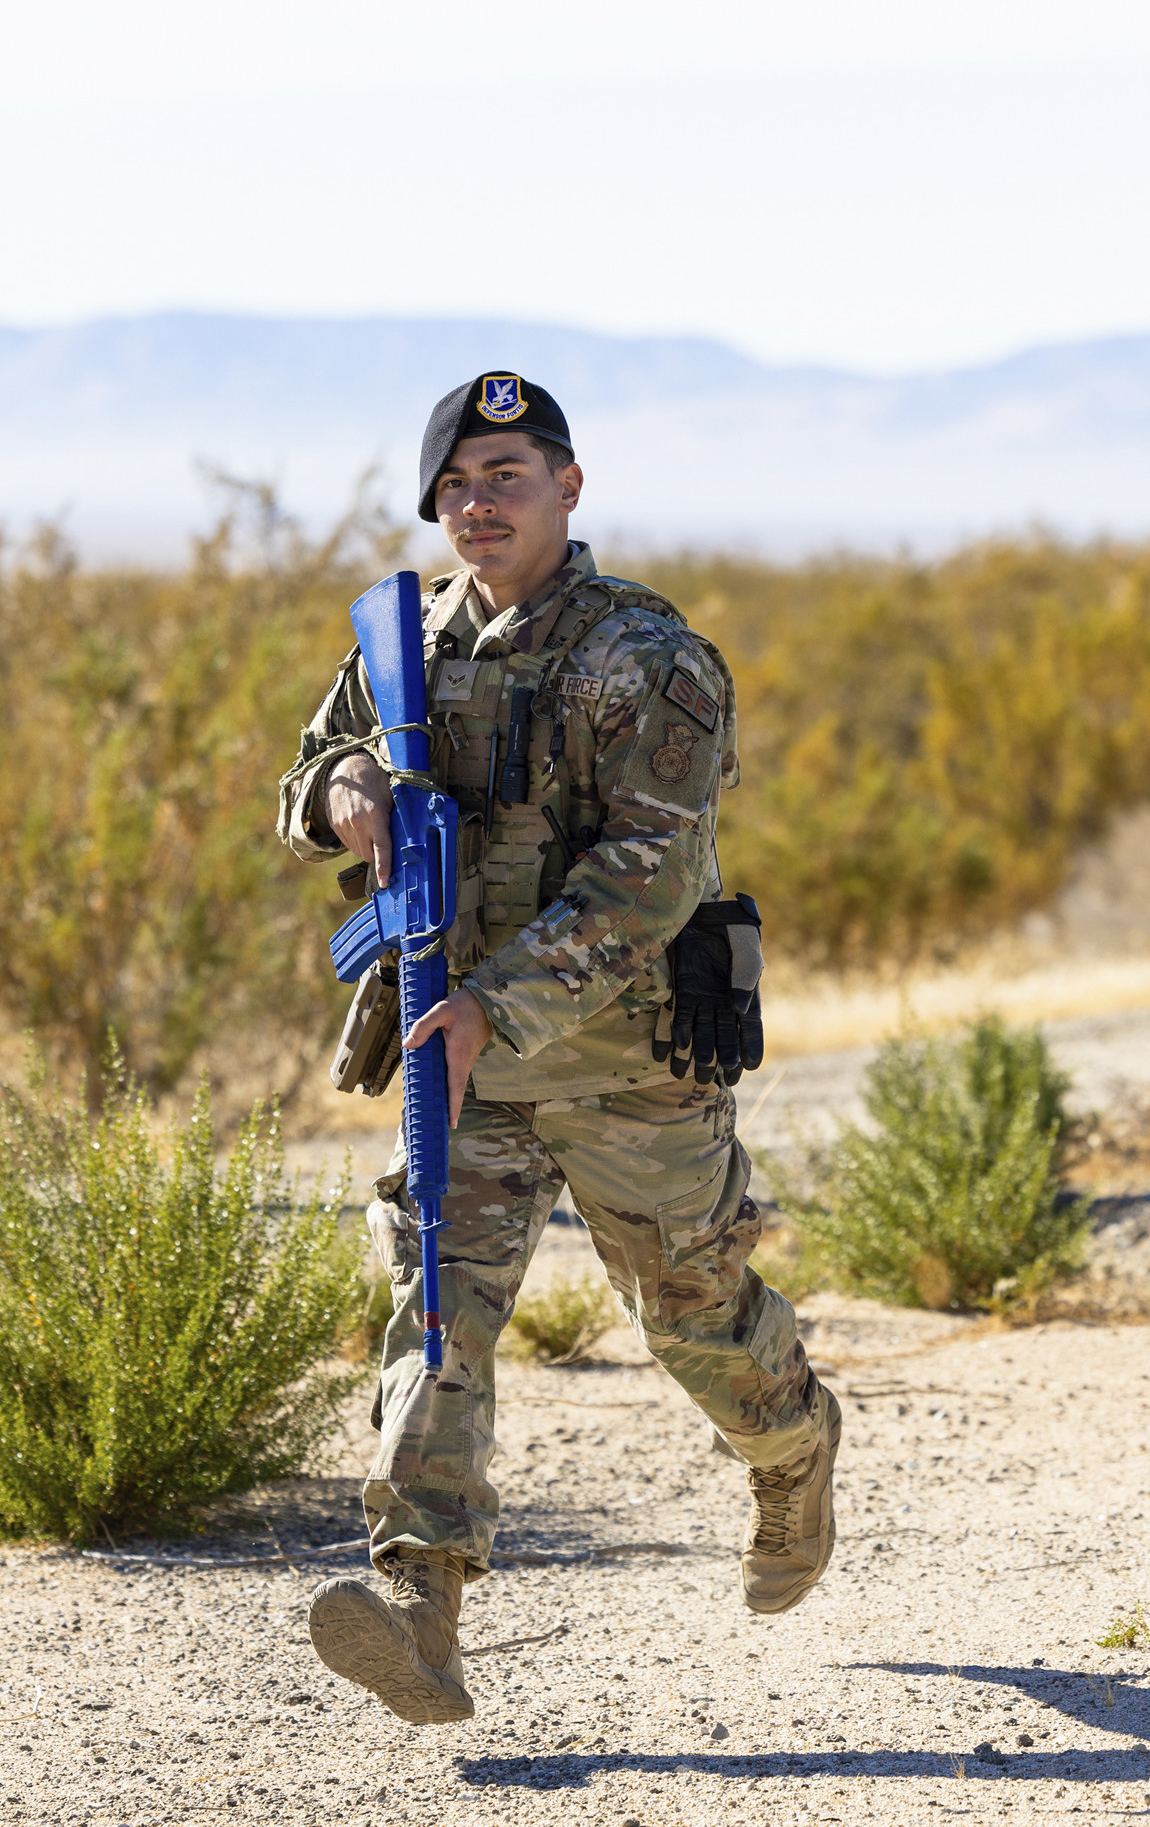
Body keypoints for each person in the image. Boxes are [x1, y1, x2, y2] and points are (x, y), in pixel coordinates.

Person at [274, 371, 840, 1727]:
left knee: (695, 1319)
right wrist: (341, 783)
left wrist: (496, 1008)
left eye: (507, 475)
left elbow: (650, 878)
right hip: (460, 1058)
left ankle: (794, 1448)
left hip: (623, 1059)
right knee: (437, 1318)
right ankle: (422, 1603)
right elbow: (305, 780)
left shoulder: (649, 659)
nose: (479, 503)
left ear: (569, 489)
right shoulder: (404, 644)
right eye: (456, 484)